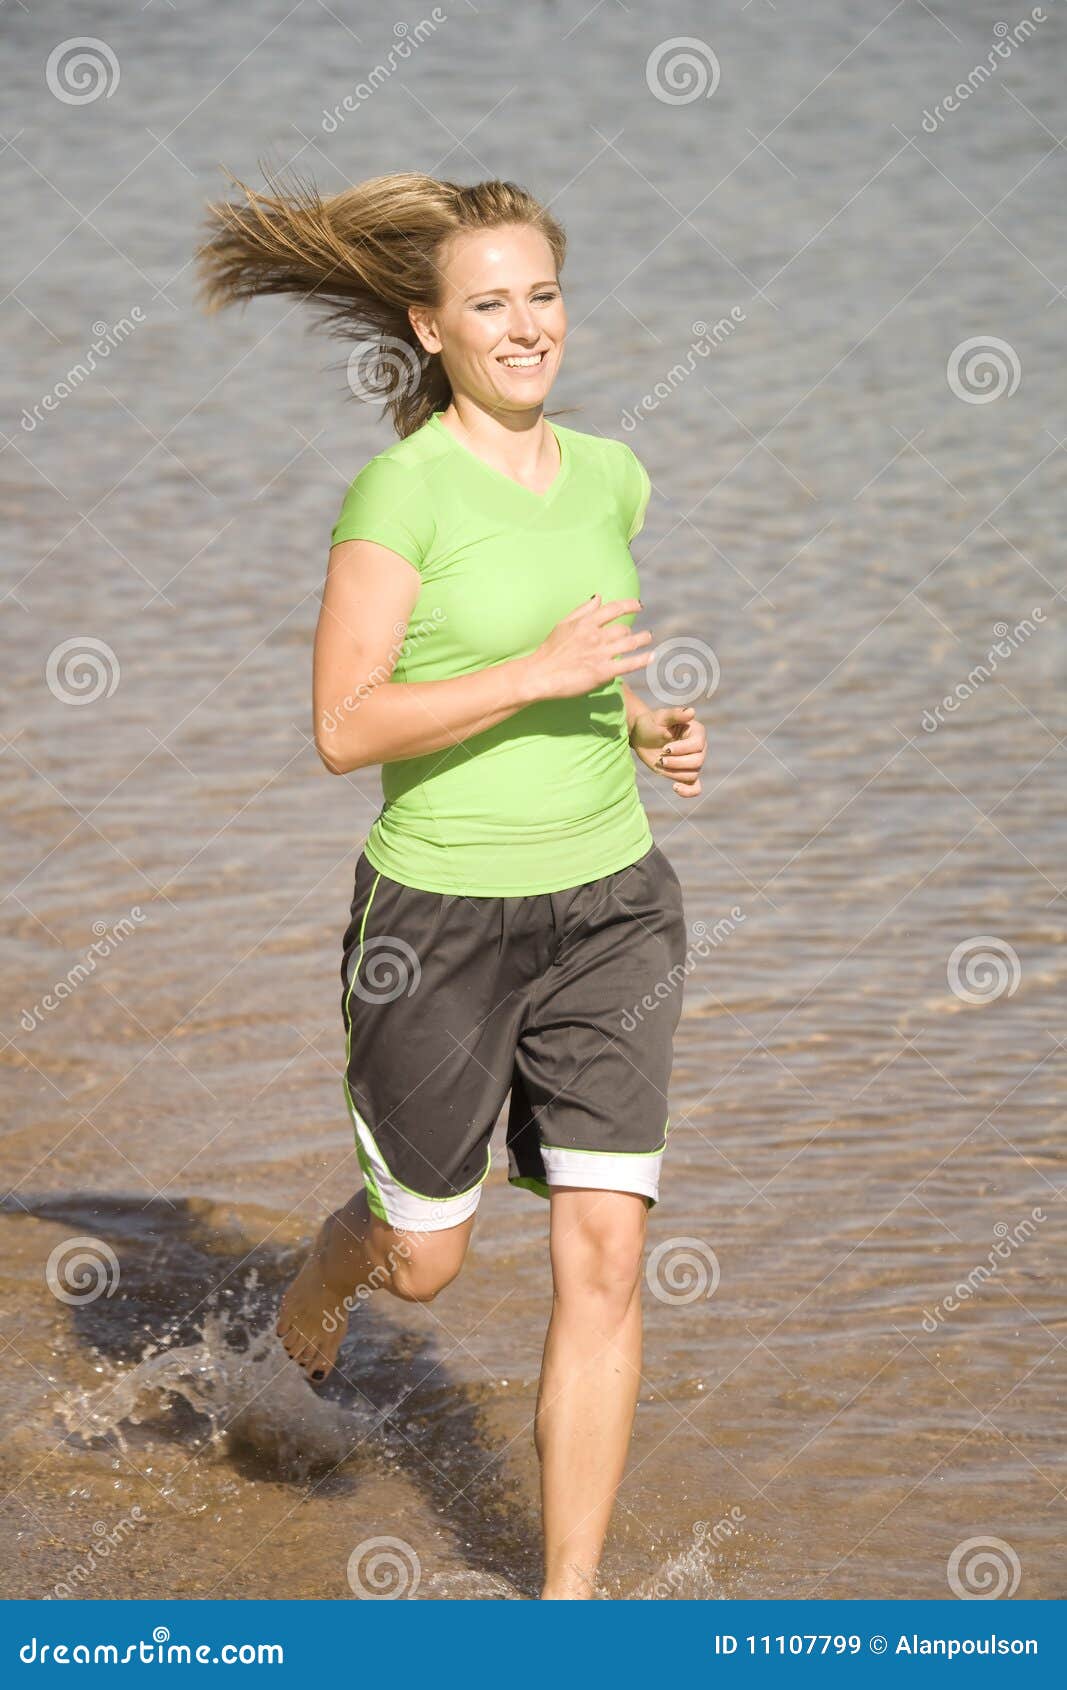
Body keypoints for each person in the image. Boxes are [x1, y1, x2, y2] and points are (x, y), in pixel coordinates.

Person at [195, 169, 708, 1599]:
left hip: (613, 906)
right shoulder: (400, 492)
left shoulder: (612, 472)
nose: (527, 323)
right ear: (428, 327)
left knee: (604, 1252)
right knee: (427, 1262)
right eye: (490, 302)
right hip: (437, 927)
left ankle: (570, 1612)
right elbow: (343, 725)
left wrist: (644, 724)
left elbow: (586, 672)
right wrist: (532, 675)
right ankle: (328, 1267)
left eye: (542, 294)